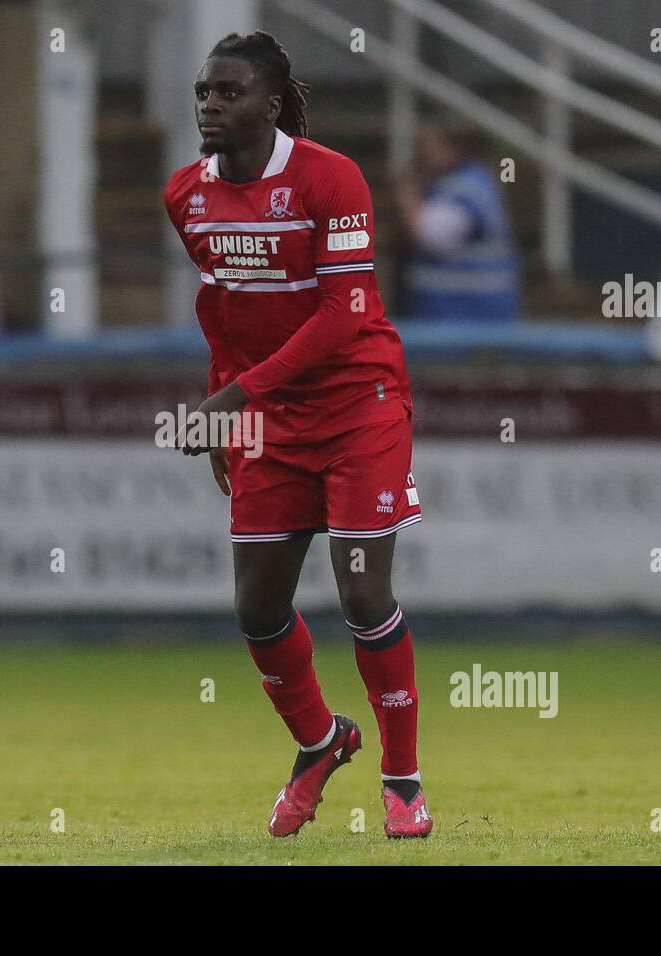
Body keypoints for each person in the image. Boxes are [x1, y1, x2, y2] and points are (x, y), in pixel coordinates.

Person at [163, 31, 431, 840]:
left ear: (271, 105)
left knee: (361, 590)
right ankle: (321, 743)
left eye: (230, 91)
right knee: (256, 605)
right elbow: (223, 312)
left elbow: (343, 313)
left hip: (359, 402)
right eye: (205, 91)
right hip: (268, 419)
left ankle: (403, 780)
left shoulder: (330, 177)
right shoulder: (185, 194)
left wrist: (235, 396)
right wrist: (225, 411)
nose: (211, 103)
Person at [394, 119, 519, 322]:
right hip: (448, 314)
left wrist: (407, 198)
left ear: (452, 148)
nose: (420, 155)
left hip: (471, 315)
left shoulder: (468, 189)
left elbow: (428, 233)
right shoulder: (444, 185)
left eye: (429, 147)